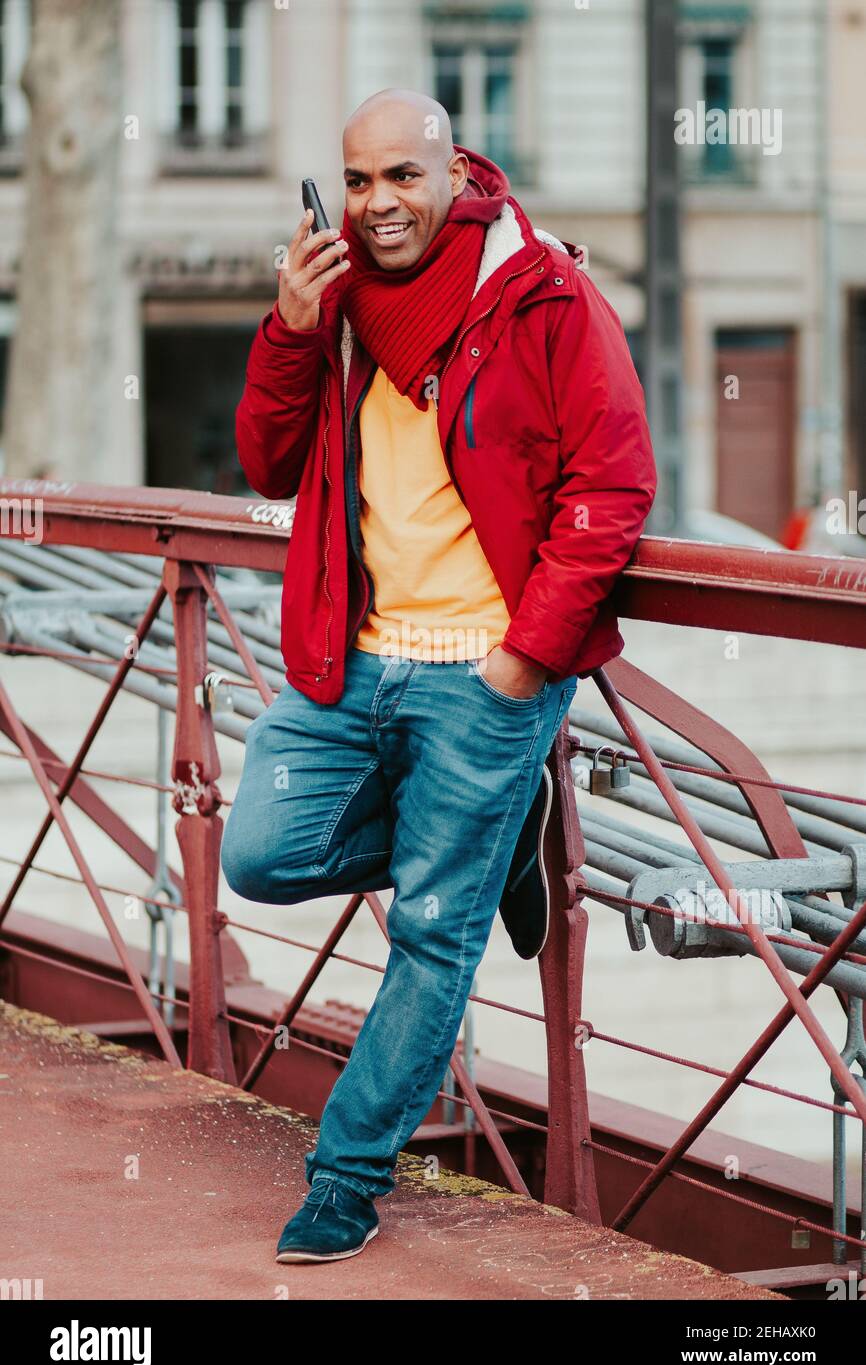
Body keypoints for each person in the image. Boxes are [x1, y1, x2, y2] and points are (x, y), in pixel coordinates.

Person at [222, 88, 656, 1263]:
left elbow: (611, 488)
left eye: (400, 179)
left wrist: (525, 661)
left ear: (453, 174)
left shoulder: (545, 294)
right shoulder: (345, 309)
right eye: (356, 183)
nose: (376, 206)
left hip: (486, 675)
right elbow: (265, 459)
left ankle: (344, 1177)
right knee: (257, 852)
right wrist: (291, 328)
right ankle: (491, 840)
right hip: (352, 661)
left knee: (428, 931)